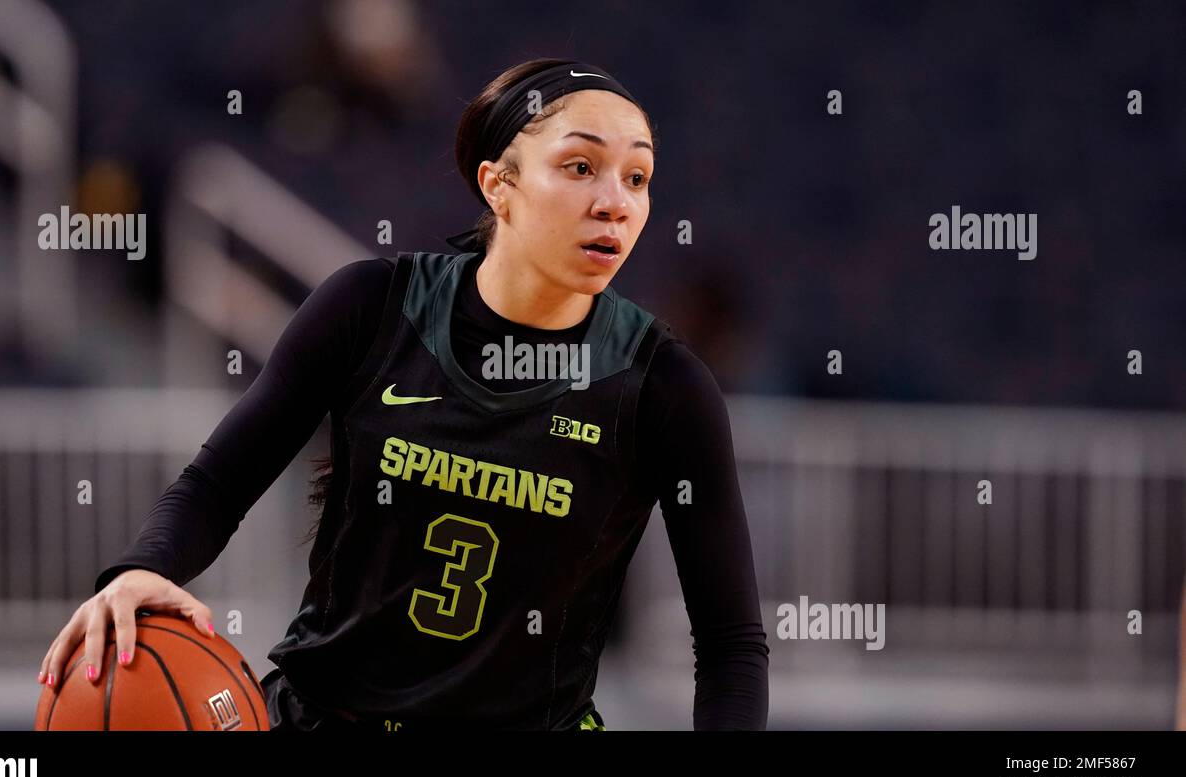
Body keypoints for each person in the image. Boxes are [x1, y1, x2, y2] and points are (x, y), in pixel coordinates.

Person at [38, 58, 770, 730]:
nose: (615, 202)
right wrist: (141, 569)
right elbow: (219, 482)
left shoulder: (663, 385)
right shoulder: (370, 307)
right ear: (499, 184)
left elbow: (732, 643)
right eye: (581, 166)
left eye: (636, 179)